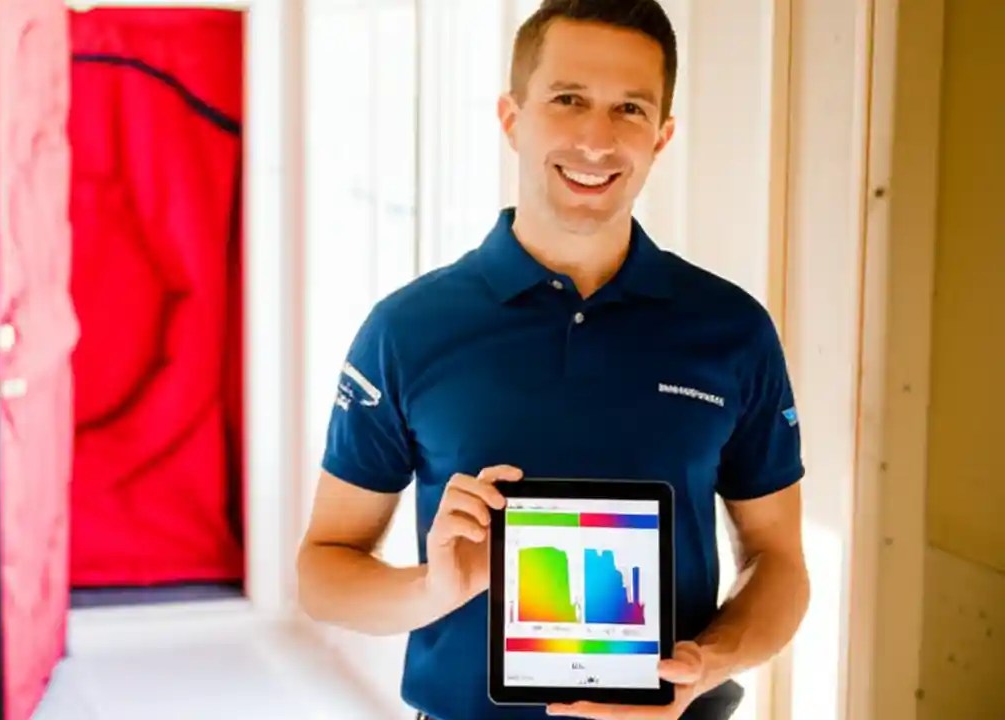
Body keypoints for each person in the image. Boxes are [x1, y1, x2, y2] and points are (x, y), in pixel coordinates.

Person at [295, 1, 811, 718]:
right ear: (512, 118)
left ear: (661, 137)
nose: (596, 140)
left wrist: (705, 662)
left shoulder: (733, 330)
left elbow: (778, 560)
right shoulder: (406, 330)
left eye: (629, 109)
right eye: (569, 100)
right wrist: (433, 589)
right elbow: (323, 571)